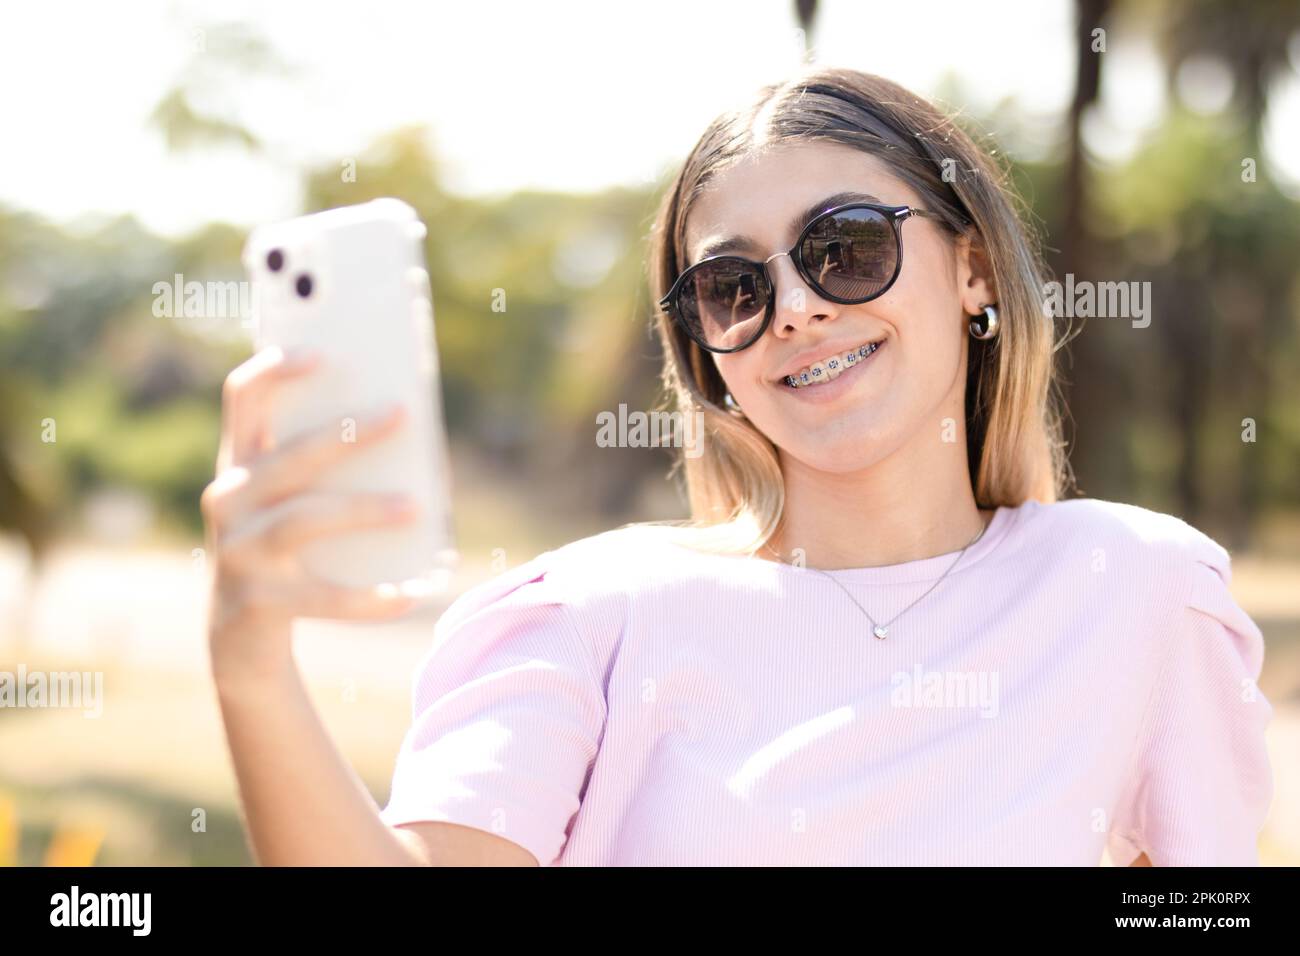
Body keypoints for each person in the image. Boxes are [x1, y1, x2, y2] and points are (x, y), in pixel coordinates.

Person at [201, 67, 1274, 866]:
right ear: (706, 354)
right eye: (732, 286)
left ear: (974, 270)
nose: (797, 309)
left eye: (846, 246)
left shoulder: (1134, 588)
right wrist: (253, 665)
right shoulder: (584, 617)